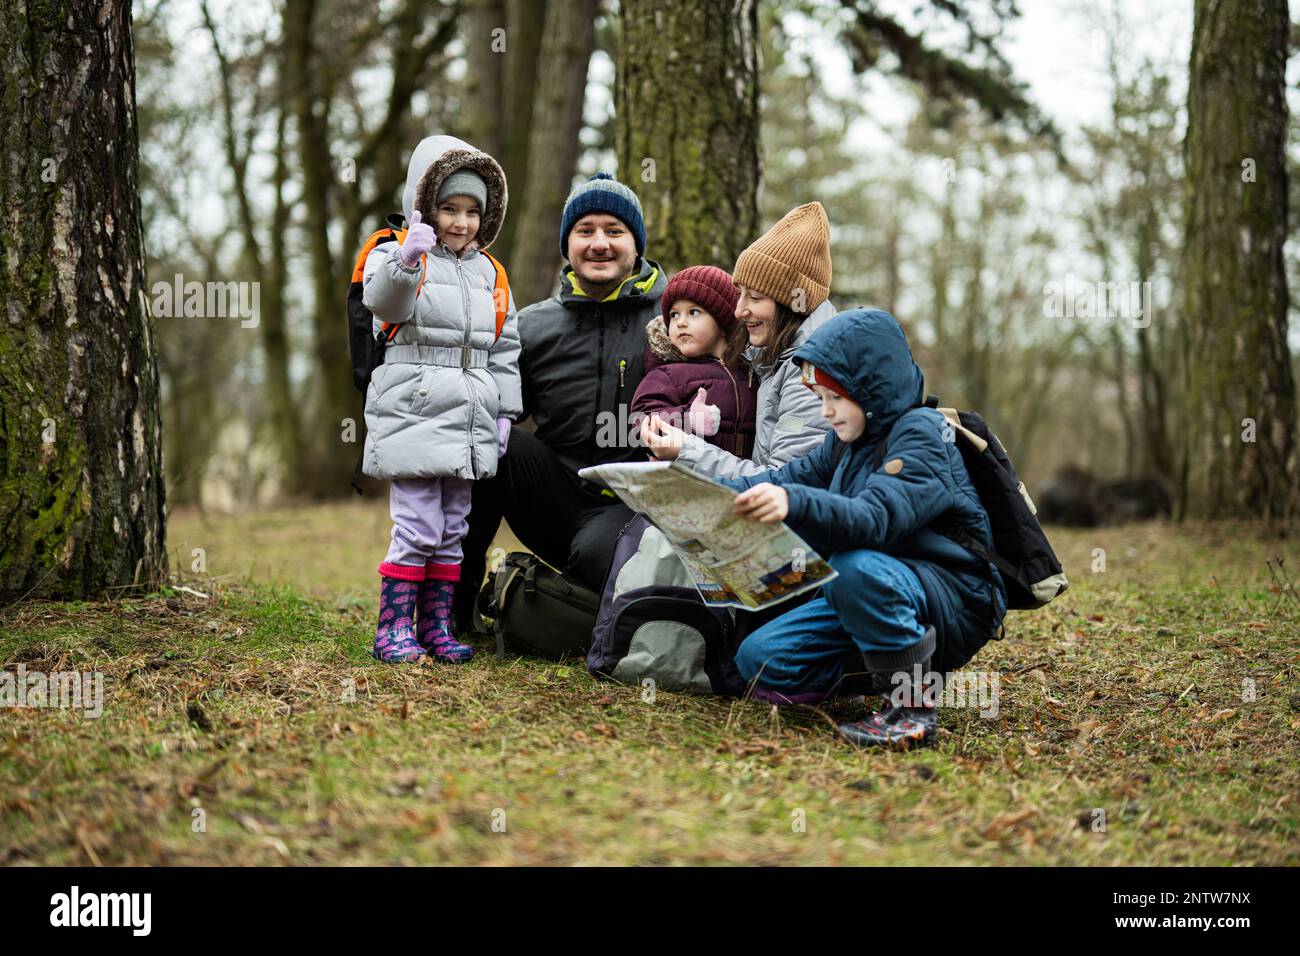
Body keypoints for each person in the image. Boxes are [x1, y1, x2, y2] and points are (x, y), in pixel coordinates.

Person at [723, 308, 1008, 748]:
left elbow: (873, 520)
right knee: (758, 660)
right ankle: (884, 668)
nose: (827, 412)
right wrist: (702, 493)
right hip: (876, 586)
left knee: (854, 565)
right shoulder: (844, 443)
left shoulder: (923, 435)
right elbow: (781, 479)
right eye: (819, 398)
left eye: (834, 397)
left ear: (868, 387)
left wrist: (793, 504)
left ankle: (911, 709)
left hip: (951, 595)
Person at [453, 174, 667, 632]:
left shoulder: (672, 320)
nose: (599, 244)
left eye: (614, 231)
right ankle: (455, 608)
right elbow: (497, 405)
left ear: (637, 243)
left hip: (633, 505)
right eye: (585, 230)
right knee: (490, 439)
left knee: (593, 557)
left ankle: (574, 604)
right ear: (567, 243)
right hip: (554, 496)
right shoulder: (532, 326)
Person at [638, 202, 838, 643]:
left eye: (754, 297)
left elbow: (779, 487)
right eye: (739, 293)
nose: (739, 309)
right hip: (773, 538)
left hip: (807, 556)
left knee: (757, 665)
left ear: (790, 301)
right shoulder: (771, 358)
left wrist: (687, 450)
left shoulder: (812, 372)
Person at [359, 134, 520, 663]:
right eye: (449, 208)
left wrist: (504, 410)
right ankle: (393, 626)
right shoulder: (398, 253)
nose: (461, 222)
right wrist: (407, 259)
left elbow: (505, 345)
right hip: (415, 403)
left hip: (471, 411)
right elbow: (382, 304)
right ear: (424, 205)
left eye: (473, 211)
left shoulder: (490, 272)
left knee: (454, 526)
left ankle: (436, 625)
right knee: (418, 523)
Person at [631, 265, 757, 458]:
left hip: (745, 478)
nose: (681, 322)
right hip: (689, 479)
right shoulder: (667, 374)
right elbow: (641, 421)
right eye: (674, 315)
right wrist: (689, 420)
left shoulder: (751, 369)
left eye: (694, 312)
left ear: (722, 320)